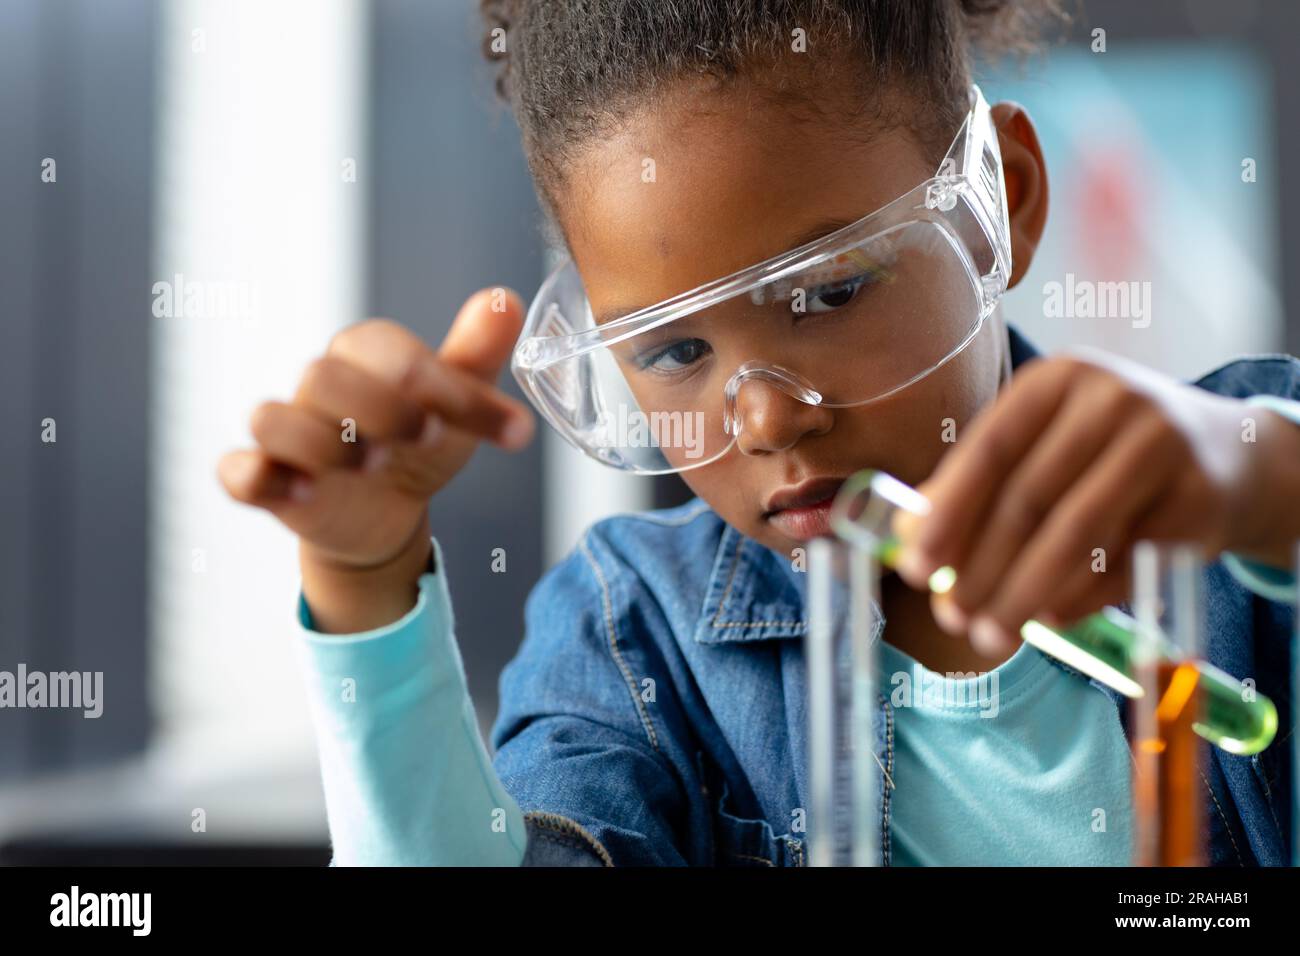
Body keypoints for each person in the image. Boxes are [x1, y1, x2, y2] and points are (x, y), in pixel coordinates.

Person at [218, 0, 1300, 865]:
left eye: (830, 291)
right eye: (673, 351)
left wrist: (1260, 480)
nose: (770, 416)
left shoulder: (1241, 494)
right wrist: (365, 583)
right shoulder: (634, 636)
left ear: (999, 203)